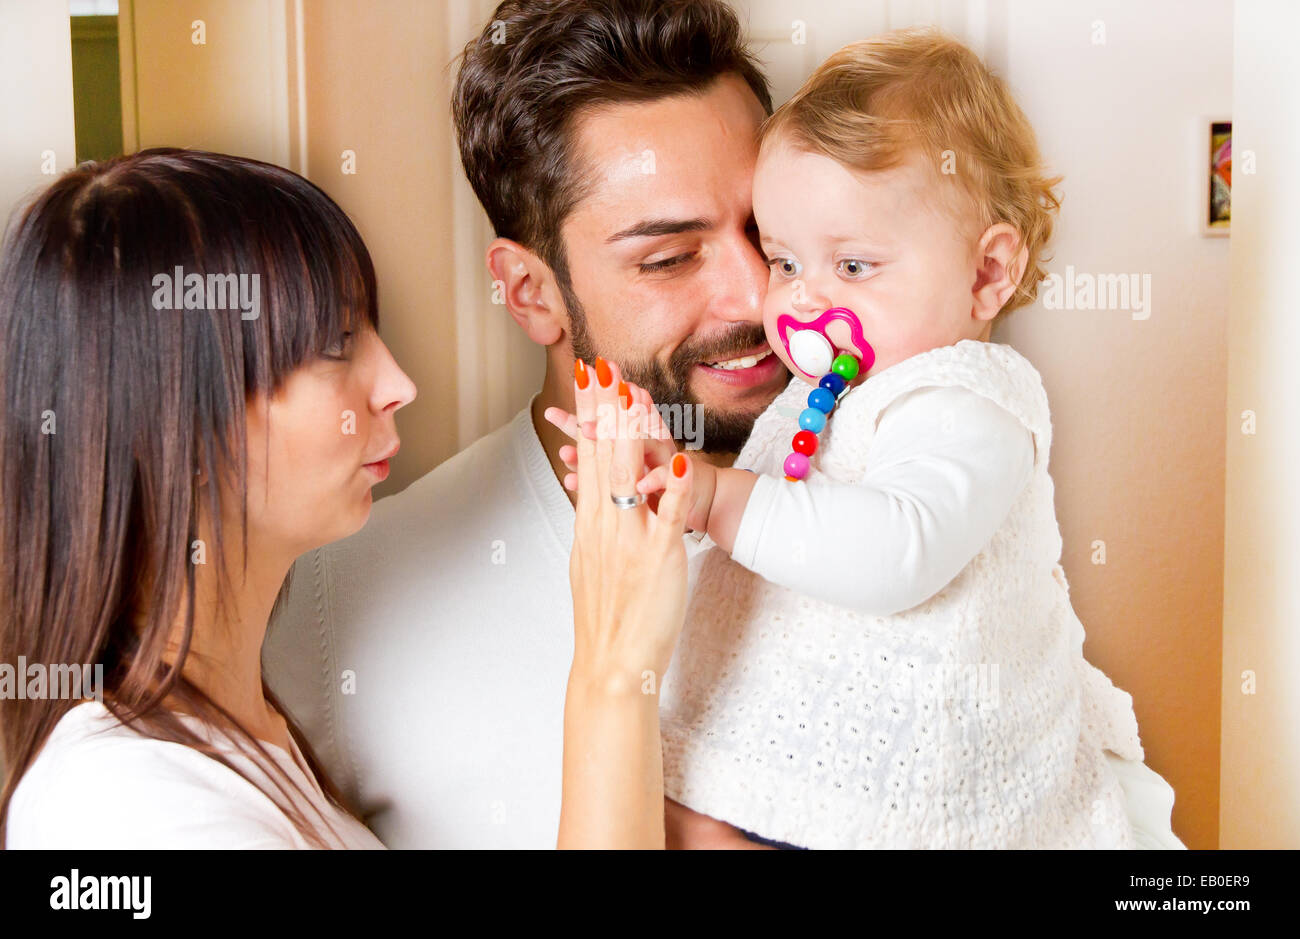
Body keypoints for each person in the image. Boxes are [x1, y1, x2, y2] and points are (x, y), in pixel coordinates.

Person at [550, 28, 1186, 849]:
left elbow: (895, 549)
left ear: (988, 273)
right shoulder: (826, 396)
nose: (800, 300)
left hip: (910, 800)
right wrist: (647, 462)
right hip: (784, 787)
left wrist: (708, 495)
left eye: (852, 267)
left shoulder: (969, 407)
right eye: (784, 260)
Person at [262, 0, 784, 848]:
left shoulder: (918, 506)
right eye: (669, 257)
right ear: (531, 292)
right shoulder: (340, 600)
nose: (758, 293)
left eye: (768, 230)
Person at [0, 149, 414, 847]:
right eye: (338, 342)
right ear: (176, 418)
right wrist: (610, 676)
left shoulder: (247, 733)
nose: (398, 383)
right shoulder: (130, 806)